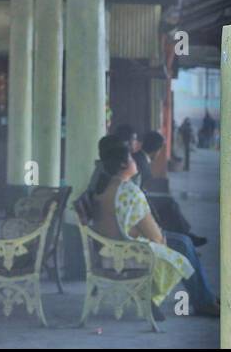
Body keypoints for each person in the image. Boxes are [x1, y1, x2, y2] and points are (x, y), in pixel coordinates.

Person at [89, 135, 219, 320]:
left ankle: (205, 298)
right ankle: (203, 301)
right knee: (183, 245)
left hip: (110, 248)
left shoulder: (104, 184)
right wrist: (160, 239)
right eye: (132, 158)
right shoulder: (130, 191)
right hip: (129, 251)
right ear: (123, 165)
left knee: (184, 242)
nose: (136, 161)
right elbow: (156, 238)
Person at [139, 130, 206, 247]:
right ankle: (185, 238)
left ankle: (186, 236)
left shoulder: (140, 158)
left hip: (141, 198)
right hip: (140, 202)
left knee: (169, 202)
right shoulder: (143, 164)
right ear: (157, 150)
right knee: (168, 205)